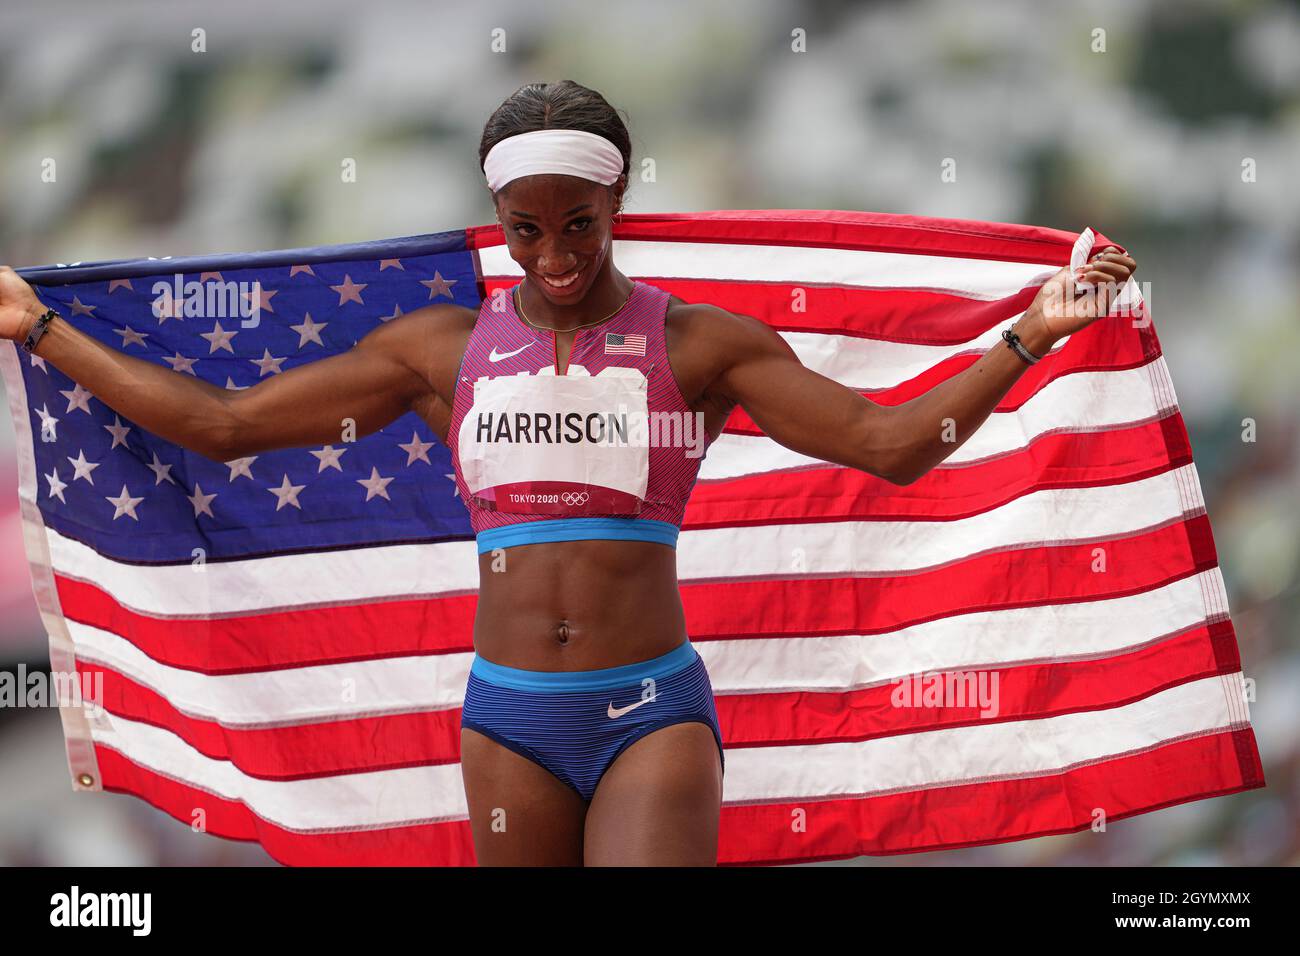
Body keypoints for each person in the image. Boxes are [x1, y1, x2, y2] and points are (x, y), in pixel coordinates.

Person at [0, 79, 1136, 867]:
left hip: (650, 711)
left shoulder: (701, 344)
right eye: (523, 227)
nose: (552, 256)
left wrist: (1032, 329)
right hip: (505, 719)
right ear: (494, 214)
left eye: (579, 225)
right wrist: (39, 326)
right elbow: (223, 423)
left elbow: (891, 447)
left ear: (619, 199)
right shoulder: (438, 350)